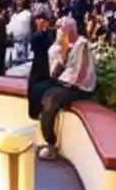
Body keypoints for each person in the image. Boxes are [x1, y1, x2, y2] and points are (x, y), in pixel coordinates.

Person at [38, 18, 97, 160]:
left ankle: (51, 145)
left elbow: (81, 72)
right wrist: (63, 53)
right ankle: (48, 139)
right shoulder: (65, 45)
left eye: (63, 31)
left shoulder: (82, 45)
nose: (60, 33)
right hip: (66, 83)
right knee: (43, 94)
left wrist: (66, 83)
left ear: (71, 31)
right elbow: (60, 68)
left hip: (80, 87)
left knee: (51, 100)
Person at [27, 9, 57, 120]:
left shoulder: (49, 35)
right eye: (37, 19)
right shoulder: (37, 35)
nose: (39, 22)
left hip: (45, 67)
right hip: (38, 66)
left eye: (42, 19)